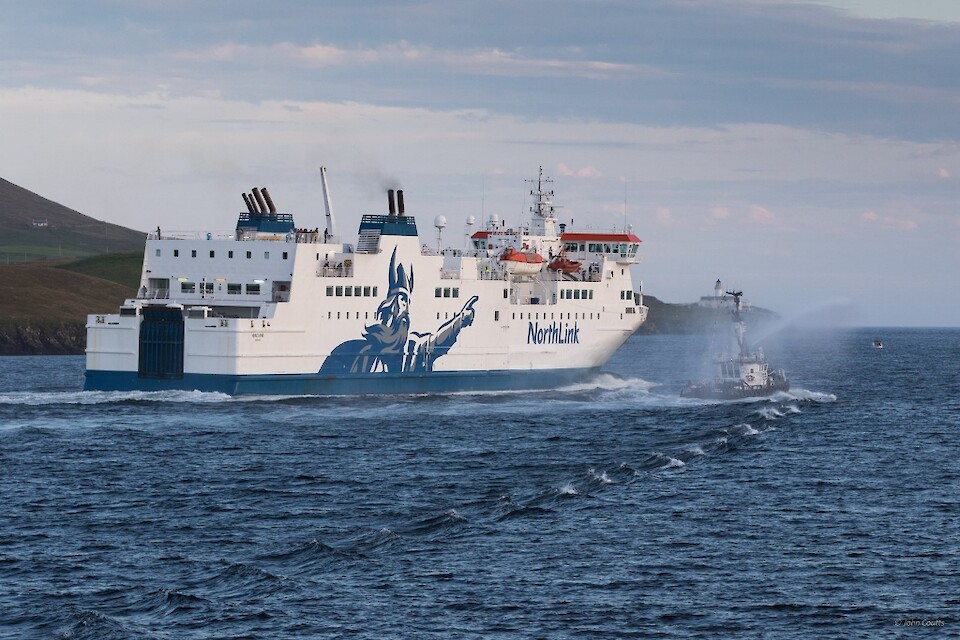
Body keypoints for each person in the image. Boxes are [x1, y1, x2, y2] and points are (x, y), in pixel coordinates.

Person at [320, 248, 478, 374]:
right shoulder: (355, 351)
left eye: (406, 304)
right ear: (388, 310)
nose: (405, 311)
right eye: (401, 302)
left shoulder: (412, 347)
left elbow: (437, 341)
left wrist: (460, 320)